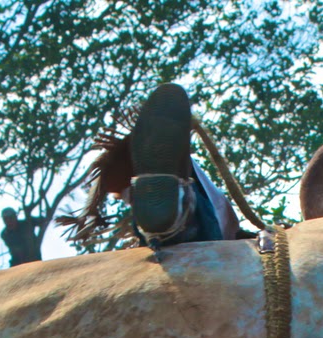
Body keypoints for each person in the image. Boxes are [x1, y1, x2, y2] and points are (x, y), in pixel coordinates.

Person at [64, 83, 241, 251]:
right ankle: (181, 206)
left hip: (150, 208)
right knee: (220, 226)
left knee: (196, 211)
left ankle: (172, 208)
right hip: (219, 232)